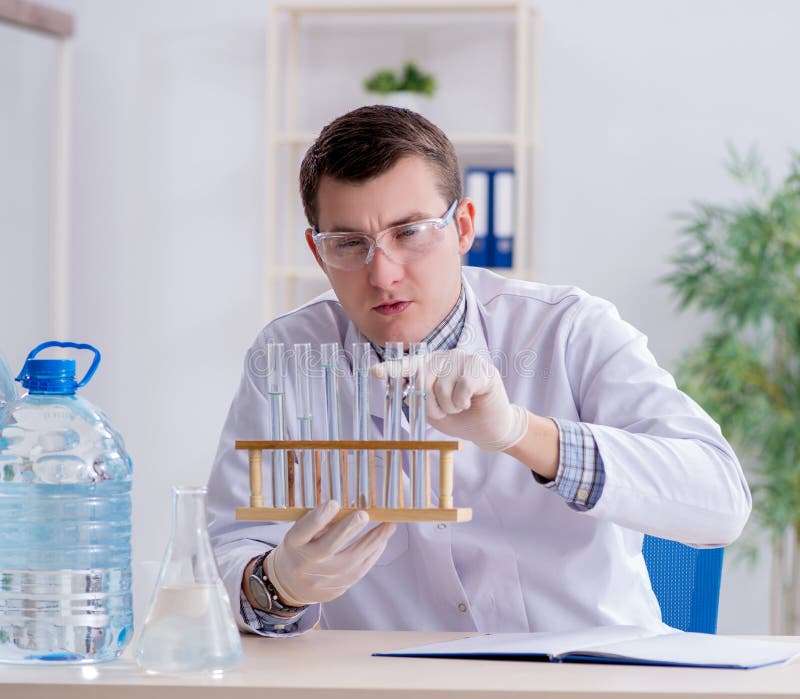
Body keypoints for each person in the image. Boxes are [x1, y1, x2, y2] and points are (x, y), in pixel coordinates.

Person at [207, 105, 751, 637]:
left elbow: (721, 503)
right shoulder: (288, 356)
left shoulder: (568, 330)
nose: (383, 274)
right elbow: (233, 548)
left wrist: (521, 433)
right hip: (394, 685)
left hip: (588, 677)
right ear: (318, 252)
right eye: (349, 244)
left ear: (463, 227)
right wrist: (278, 585)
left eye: (410, 232)